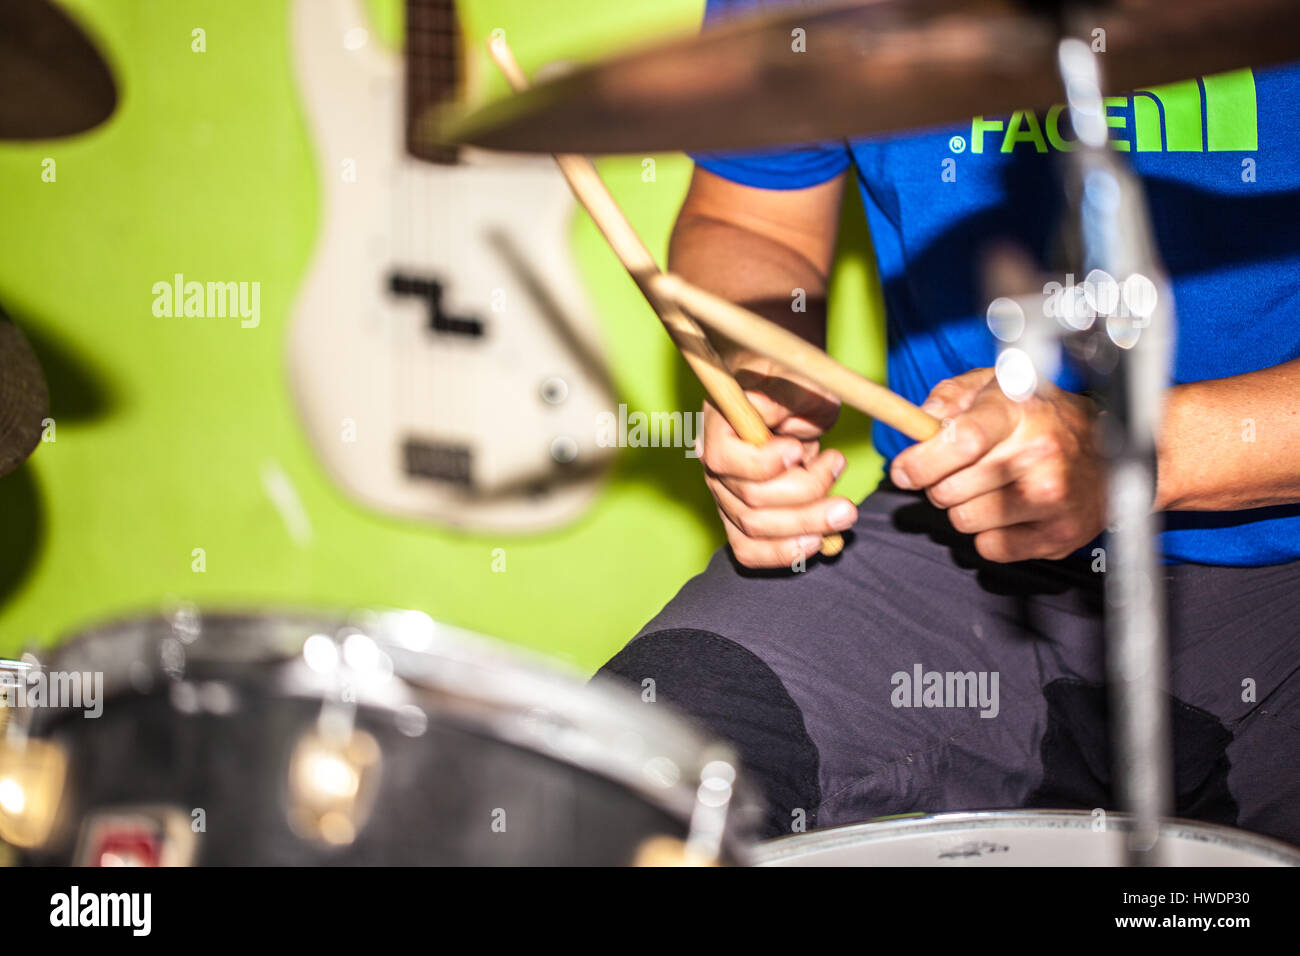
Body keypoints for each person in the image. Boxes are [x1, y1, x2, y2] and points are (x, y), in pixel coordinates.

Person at [596, 0, 1300, 845]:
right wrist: (764, 369)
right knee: (629, 779)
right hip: (947, 536)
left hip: (1277, 555)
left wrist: (1136, 453)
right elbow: (752, 217)